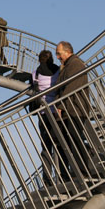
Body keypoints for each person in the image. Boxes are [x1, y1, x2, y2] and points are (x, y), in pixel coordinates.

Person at [54, 41, 93, 180]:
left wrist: (60, 105)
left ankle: (84, 171)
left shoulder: (76, 64)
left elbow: (72, 86)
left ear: (68, 51)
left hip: (76, 108)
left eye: (59, 53)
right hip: (70, 109)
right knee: (71, 140)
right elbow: (60, 87)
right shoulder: (66, 66)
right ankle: (78, 170)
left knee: (76, 139)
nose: (57, 57)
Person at [28, 50, 61, 183]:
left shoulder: (35, 74)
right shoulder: (58, 71)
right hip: (57, 112)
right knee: (60, 144)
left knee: (46, 147)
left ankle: (47, 179)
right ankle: (64, 174)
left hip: (43, 114)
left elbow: (32, 91)